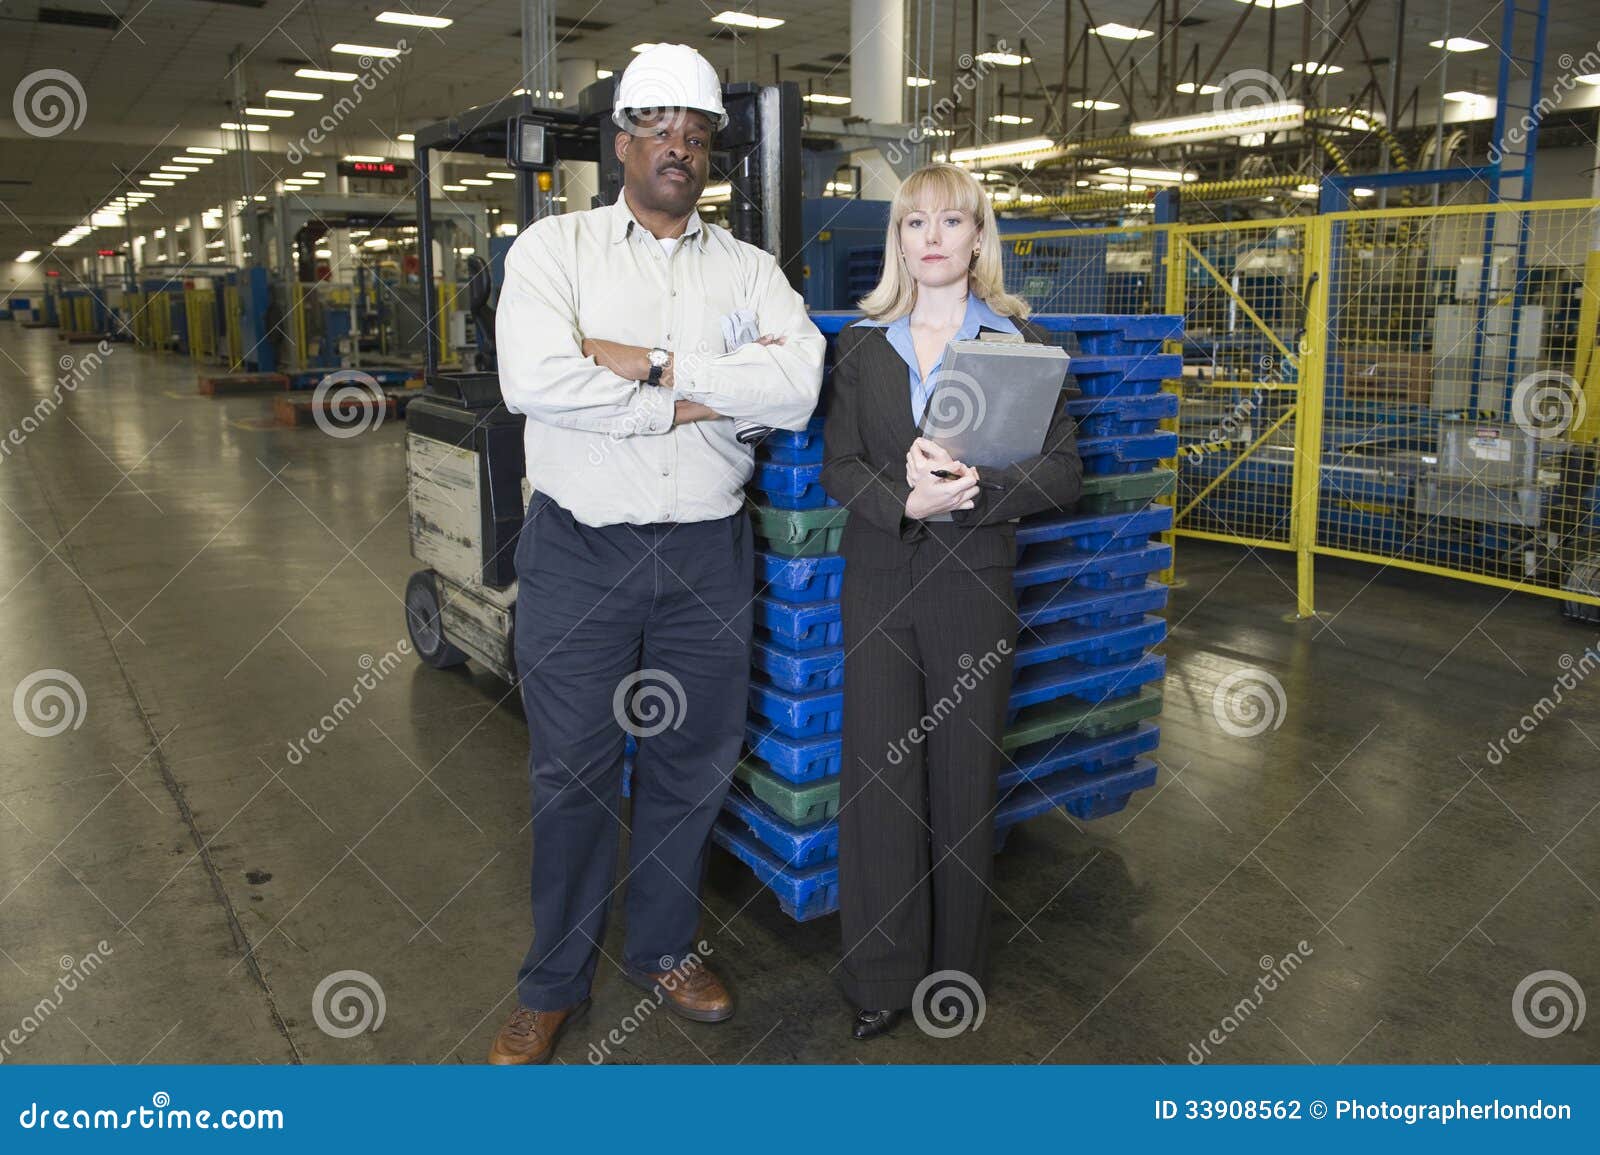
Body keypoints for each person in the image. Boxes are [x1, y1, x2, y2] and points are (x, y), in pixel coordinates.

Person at [488, 43, 825, 1065]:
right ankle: (553, 982)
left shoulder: (749, 270)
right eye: (659, 128)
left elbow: (798, 388)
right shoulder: (555, 251)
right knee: (573, 773)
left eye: (697, 132)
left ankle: (664, 950)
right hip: (579, 553)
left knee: (691, 763)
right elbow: (535, 380)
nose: (679, 146)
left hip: (706, 556)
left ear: (711, 150)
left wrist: (653, 368)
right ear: (622, 141)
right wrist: (702, 396)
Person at [819, 163, 1082, 1041]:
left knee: (964, 780)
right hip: (880, 578)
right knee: (879, 779)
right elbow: (839, 465)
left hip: (974, 581)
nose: (931, 237)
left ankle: (954, 970)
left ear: (978, 238)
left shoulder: (1020, 343)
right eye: (914, 222)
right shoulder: (862, 346)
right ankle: (879, 975)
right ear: (898, 241)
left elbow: (1065, 471)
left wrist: (976, 490)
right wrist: (904, 500)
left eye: (951, 221)